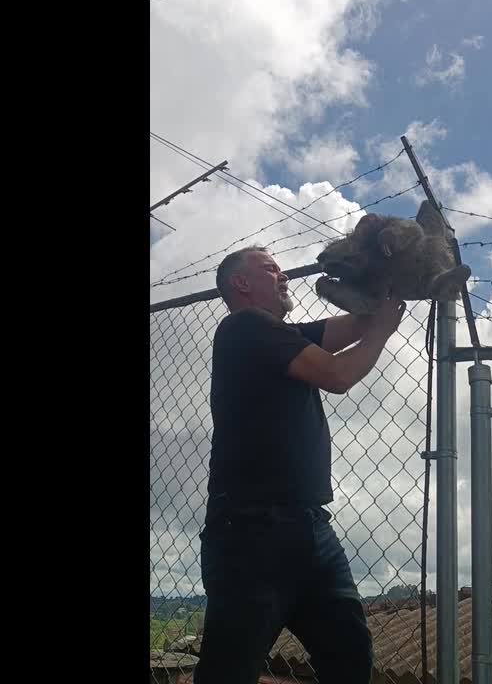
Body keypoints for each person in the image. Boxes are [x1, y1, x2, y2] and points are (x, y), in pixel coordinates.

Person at [192, 246, 405, 684]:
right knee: (229, 670)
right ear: (242, 283)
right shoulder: (245, 326)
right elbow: (337, 375)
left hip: (309, 527)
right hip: (252, 532)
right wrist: (382, 332)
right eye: (271, 269)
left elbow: (355, 323)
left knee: (348, 656)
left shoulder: (278, 336)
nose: (284, 275)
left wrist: (388, 287)